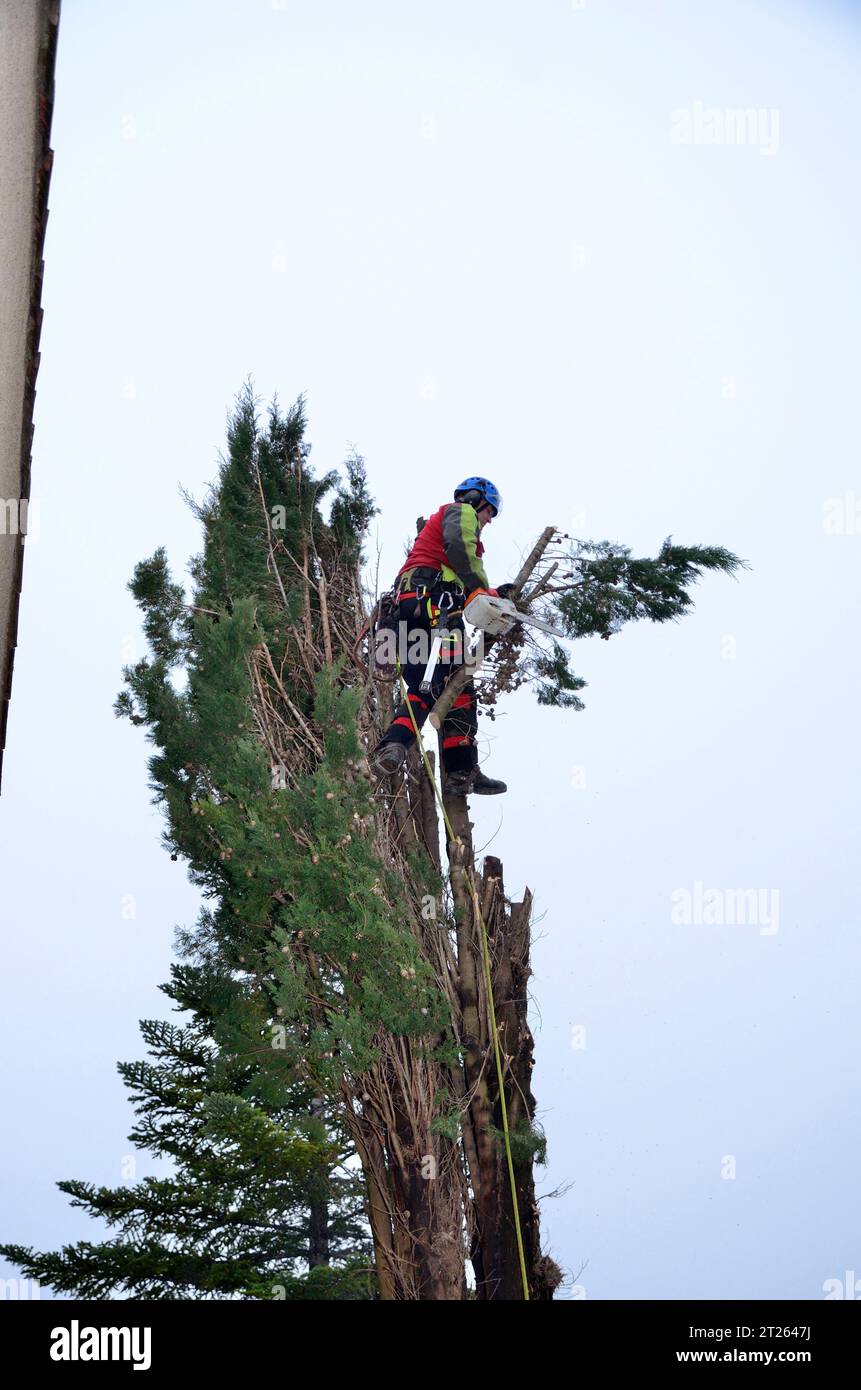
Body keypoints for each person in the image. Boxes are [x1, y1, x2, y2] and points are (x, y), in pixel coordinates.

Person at [369, 477, 507, 796]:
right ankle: (448, 765)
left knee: (435, 686)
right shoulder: (460, 512)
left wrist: (497, 594)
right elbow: (460, 550)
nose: (489, 520)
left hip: (411, 610)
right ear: (476, 500)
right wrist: (483, 589)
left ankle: (404, 751)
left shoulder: (435, 544)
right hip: (436, 611)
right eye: (490, 512)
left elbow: (460, 579)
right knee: (452, 681)